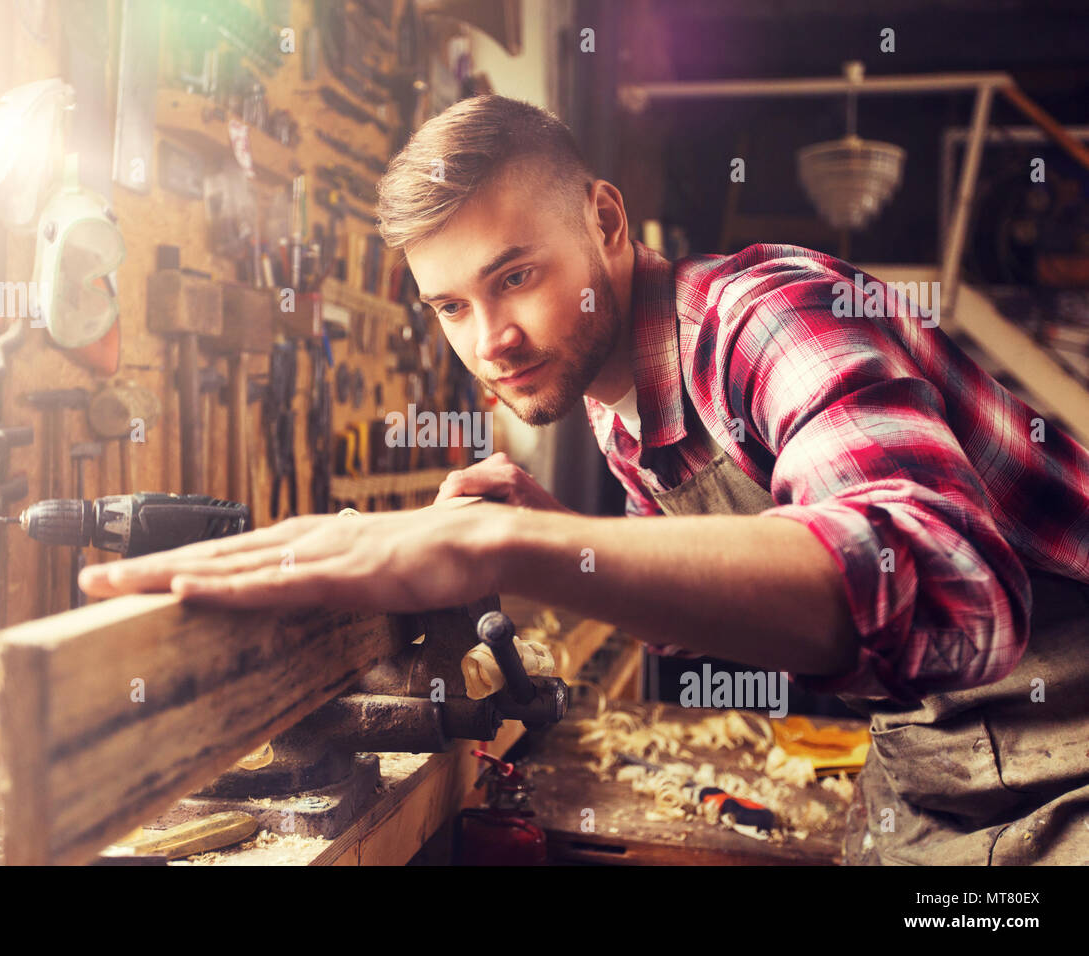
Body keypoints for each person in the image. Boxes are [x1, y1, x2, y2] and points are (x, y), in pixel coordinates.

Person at [80, 94, 1089, 865]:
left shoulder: (761, 319)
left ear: (605, 220)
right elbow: (714, 597)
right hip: (942, 757)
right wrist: (562, 531)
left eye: (515, 276)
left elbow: (950, 593)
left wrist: (518, 544)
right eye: (452, 307)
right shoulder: (617, 396)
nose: (491, 340)